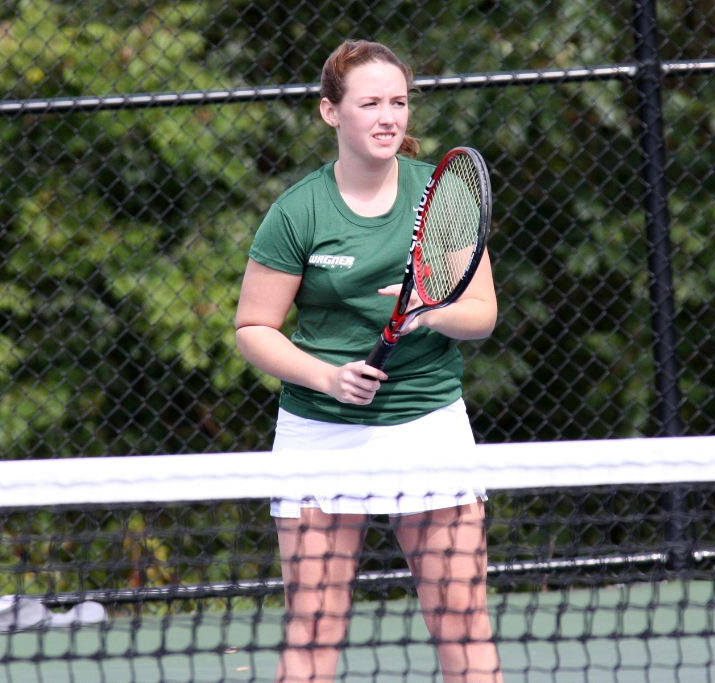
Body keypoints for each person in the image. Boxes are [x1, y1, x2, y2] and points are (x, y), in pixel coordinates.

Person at [234, 39, 501, 683]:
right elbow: (253, 327)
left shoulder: (441, 194)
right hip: (319, 434)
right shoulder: (298, 212)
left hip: (427, 424)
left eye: (400, 102)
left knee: (462, 625)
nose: (389, 116)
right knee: (314, 633)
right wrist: (326, 376)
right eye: (371, 102)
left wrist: (427, 313)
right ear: (331, 112)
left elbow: (483, 313)